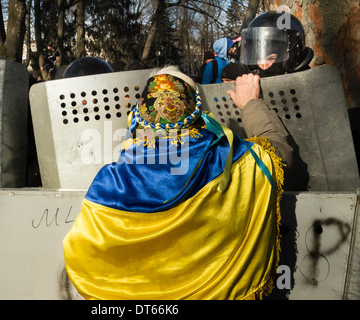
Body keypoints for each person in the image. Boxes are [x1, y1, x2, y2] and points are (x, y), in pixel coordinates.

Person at [63, 65, 294, 300]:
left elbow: (83, 255)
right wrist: (251, 104)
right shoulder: (227, 161)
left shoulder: (110, 183)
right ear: (197, 112)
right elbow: (276, 155)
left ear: (140, 115)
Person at [239, 11, 314, 78]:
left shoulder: (310, 84)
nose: (264, 67)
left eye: (270, 58)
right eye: (259, 60)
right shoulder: (254, 85)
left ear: (291, 57)